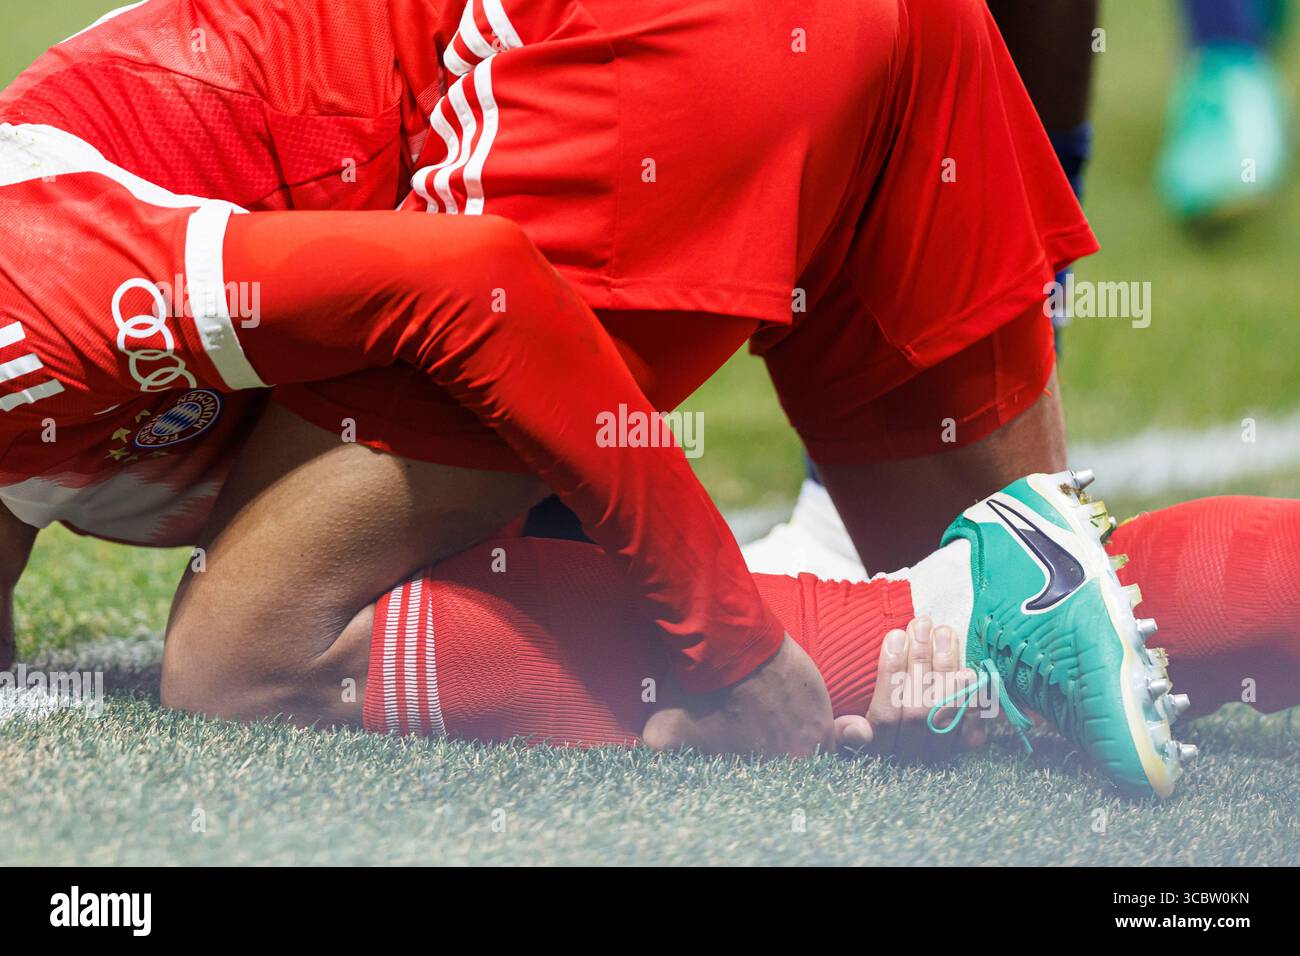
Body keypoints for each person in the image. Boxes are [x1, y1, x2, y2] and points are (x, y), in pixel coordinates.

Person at [0, 0, 1179, 793]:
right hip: (884, 29)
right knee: (1048, 582)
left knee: (244, 653)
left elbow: (480, 289)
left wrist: (733, 647)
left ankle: (908, 626)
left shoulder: (29, 279)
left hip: (666, 49)